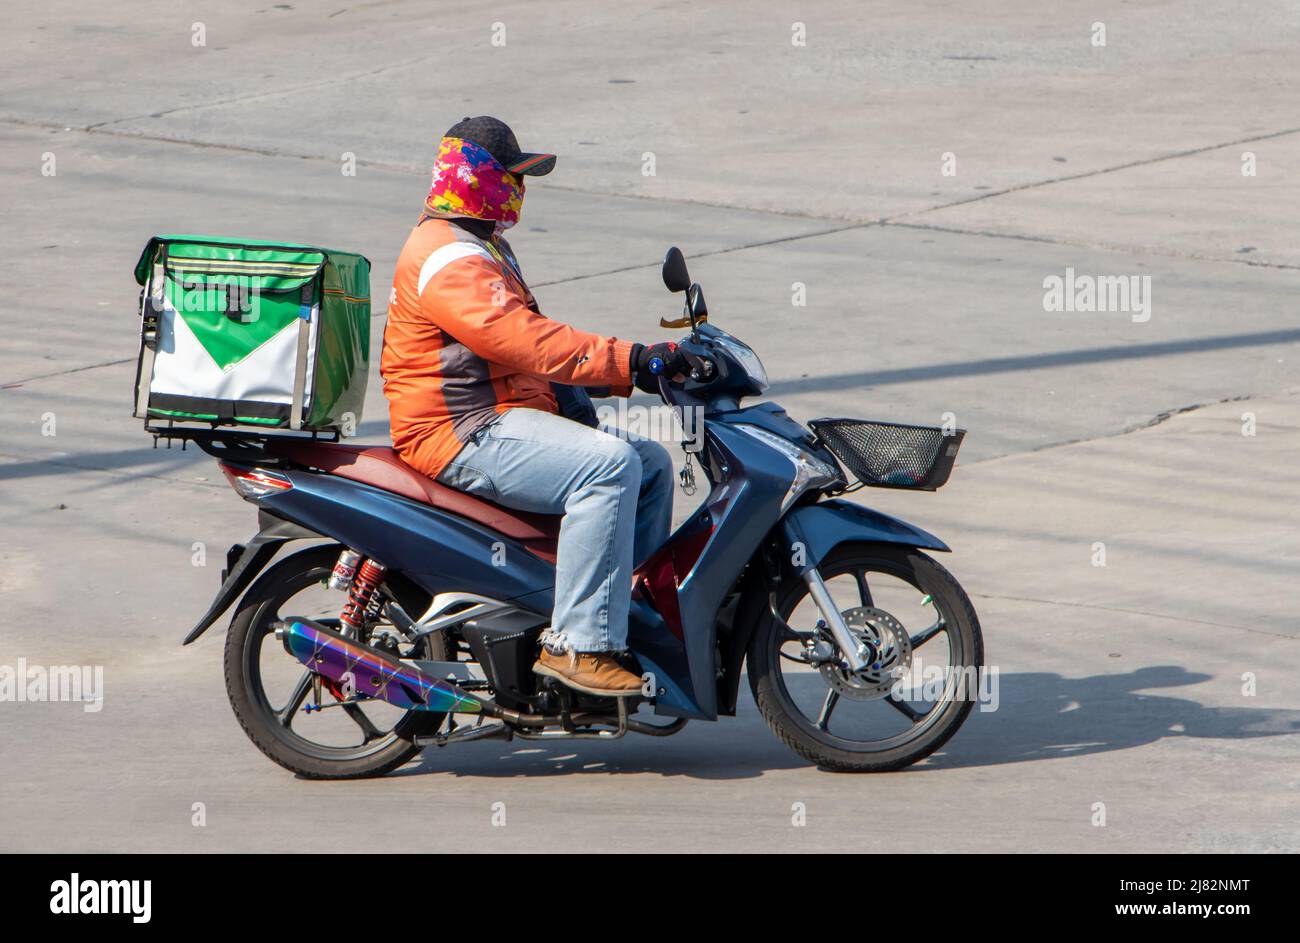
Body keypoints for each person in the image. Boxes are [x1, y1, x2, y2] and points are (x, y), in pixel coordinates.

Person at [381, 116, 688, 698]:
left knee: (645, 460)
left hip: (494, 415)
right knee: (609, 466)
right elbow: (525, 340)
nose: (520, 189)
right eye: (512, 176)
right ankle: (576, 645)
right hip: (459, 429)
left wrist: (632, 372)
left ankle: (624, 619)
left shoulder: (480, 244)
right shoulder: (450, 258)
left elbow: (537, 348)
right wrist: (633, 359)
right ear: (476, 179)